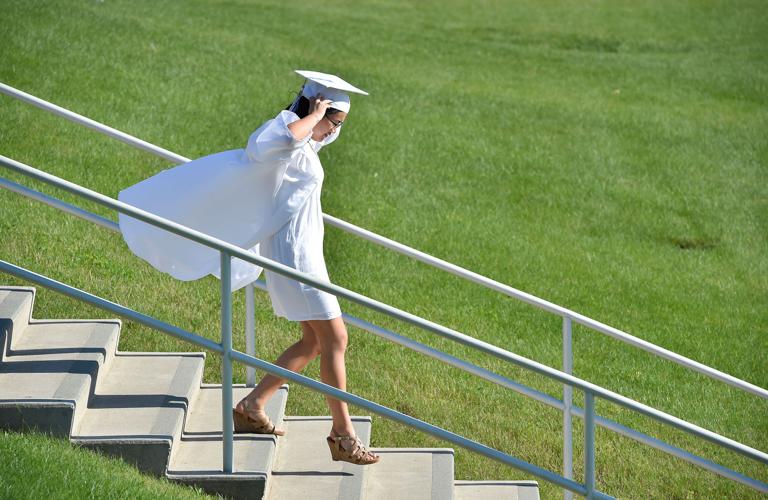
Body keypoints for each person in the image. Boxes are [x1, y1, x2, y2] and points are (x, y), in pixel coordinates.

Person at [118, 70, 380, 465]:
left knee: (313, 342)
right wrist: (314, 115)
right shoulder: (284, 132)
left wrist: (317, 124)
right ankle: (342, 435)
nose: (335, 132)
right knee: (336, 339)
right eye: (335, 122)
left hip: (305, 255)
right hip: (297, 260)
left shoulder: (305, 144)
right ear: (317, 108)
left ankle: (253, 406)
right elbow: (265, 144)